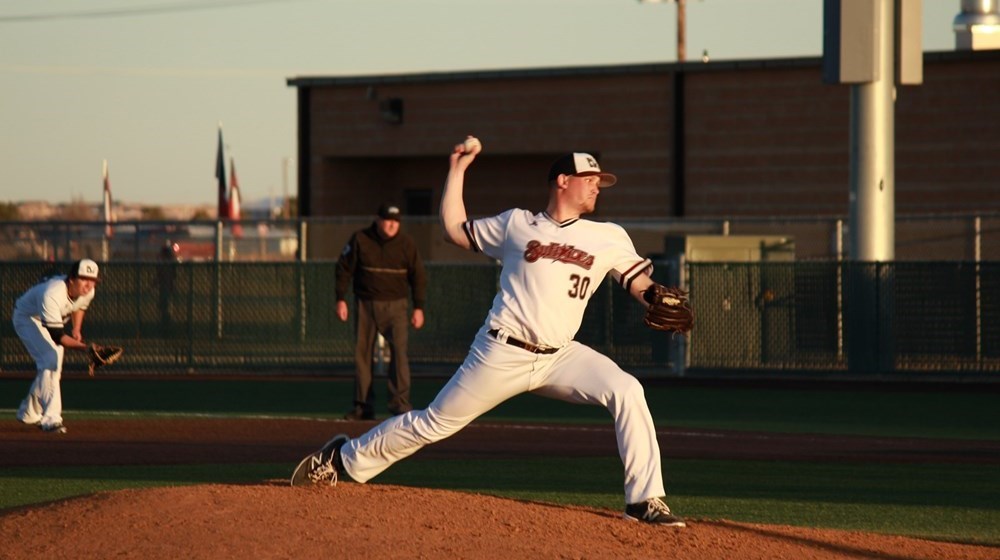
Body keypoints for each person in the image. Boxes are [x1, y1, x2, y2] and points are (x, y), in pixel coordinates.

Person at [293, 138, 688, 527]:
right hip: (502, 351)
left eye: (599, 181)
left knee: (627, 390)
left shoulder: (608, 237)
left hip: (561, 356)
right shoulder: (516, 224)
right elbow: (453, 229)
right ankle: (343, 457)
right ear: (563, 180)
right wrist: (457, 169)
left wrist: (656, 297)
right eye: (589, 178)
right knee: (435, 423)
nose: (596, 185)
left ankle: (642, 501)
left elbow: (639, 282)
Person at [335, 202, 427, 420]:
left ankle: (400, 404)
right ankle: (363, 406)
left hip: (396, 306)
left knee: (399, 355)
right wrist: (340, 298)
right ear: (377, 219)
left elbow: (418, 277)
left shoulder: (406, 244)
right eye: (388, 219)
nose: (392, 224)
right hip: (365, 304)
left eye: (396, 221)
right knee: (362, 355)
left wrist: (419, 307)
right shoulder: (360, 239)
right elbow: (343, 269)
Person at [13, 258, 101, 434]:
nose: (89, 285)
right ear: (72, 279)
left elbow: (79, 306)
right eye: (84, 279)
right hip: (28, 318)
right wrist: (86, 349)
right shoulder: (52, 293)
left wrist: (76, 329)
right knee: (50, 361)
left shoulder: (88, 291)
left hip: (52, 322)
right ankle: (52, 418)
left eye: (92, 280)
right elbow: (58, 337)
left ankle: (29, 412)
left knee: (52, 367)